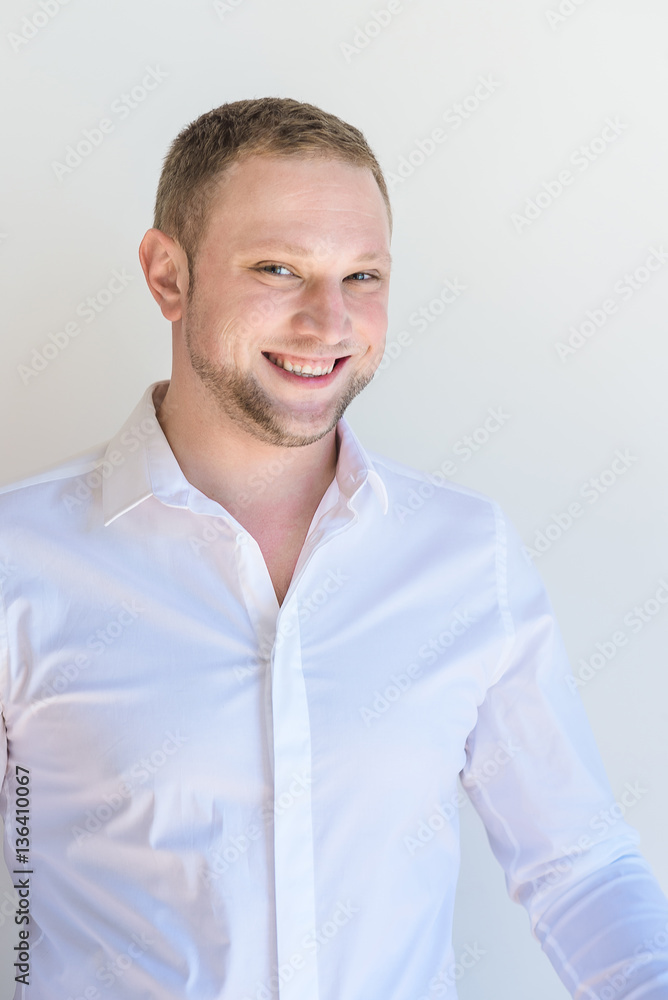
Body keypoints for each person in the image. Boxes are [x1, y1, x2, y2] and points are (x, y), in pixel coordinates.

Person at [1, 96, 667, 1000]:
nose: (329, 323)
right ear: (168, 275)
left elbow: (579, 869)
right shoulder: (21, 559)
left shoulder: (468, 557)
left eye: (363, 277)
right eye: (277, 268)